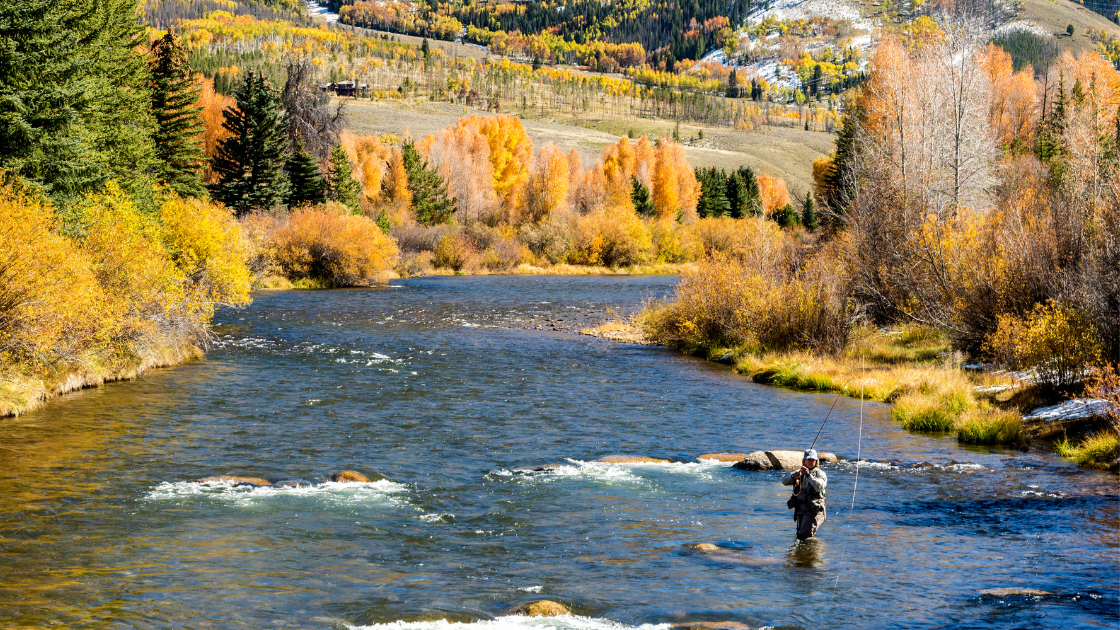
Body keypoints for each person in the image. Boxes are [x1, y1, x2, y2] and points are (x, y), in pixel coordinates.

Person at [782, 448, 827, 541]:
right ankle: (803, 554)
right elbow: (784, 481)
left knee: (805, 536)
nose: (810, 462)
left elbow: (819, 486)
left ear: (816, 461)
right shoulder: (799, 472)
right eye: (808, 460)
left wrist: (808, 475)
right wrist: (793, 476)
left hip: (813, 510)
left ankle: (809, 554)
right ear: (804, 460)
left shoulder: (820, 474)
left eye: (812, 460)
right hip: (800, 509)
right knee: (800, 535)